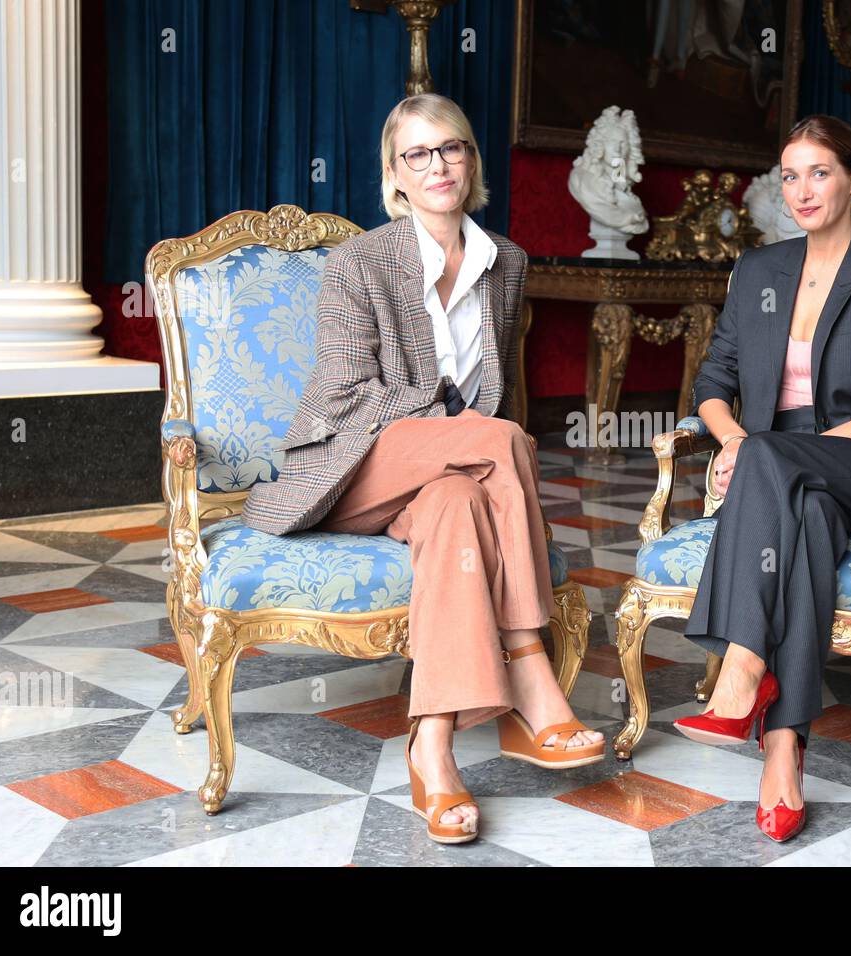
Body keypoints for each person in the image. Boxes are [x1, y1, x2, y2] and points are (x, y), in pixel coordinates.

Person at [241, 93, 604, 845]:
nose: (438, 165)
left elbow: (496, 385)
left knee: (453, 506)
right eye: (418, 154)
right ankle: (530, 663)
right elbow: (344, 399)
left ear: (471, 160)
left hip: (445, 471)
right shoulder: (358, 263)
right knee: (500, 440)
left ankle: (431, 750)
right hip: (354, 463)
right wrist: (450, 419)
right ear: (394, 175)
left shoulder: (506, 263)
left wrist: (460, 435)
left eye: (453, 149)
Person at [674, 114, 851, 842]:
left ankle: (742, 668)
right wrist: (738, 440)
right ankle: (781, 753)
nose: (802, 190)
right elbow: (713, 382)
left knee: (778, 464)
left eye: (820, 172)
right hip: (789, 473)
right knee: (802, 522)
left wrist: (772, 455)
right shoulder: (760, 271)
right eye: (790, 175)